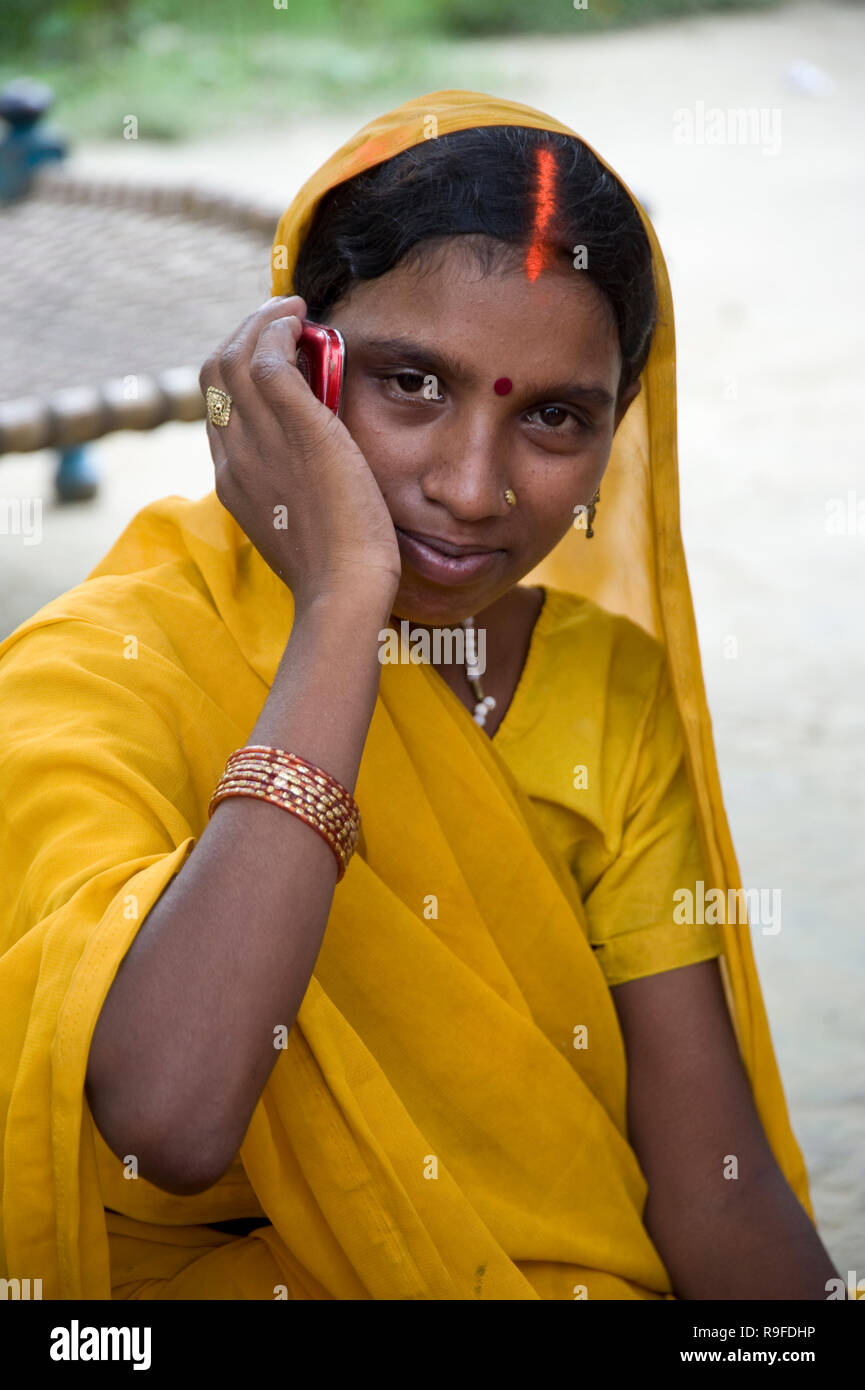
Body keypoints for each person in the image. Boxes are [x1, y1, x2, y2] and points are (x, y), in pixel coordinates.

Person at [0, 89, 840, 1300]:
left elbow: (711, 1186)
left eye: (554, 417)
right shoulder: (92, 670)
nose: (470, 484)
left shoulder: (602, 693)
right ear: (295, 369)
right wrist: (343, 604)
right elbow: (168, 1118)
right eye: (410, 384)